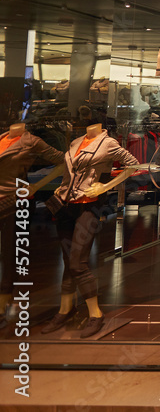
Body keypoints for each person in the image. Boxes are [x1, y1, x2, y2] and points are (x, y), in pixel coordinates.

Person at [40, 123, 139, 339]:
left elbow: (133, 165)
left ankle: (96, 313)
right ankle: (65, 310)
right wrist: (61, 185)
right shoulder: (76, 141)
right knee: (68, 261)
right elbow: (70, 168)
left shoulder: (108, 143)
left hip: (89, 205)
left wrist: (105, 186)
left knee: (78, 262)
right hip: (65, 205)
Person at [0, 122, 64, 328]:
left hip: (13, 201)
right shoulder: (1, 138)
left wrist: (37, 185)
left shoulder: (32, 142)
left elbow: (64, 161)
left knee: (9, 253)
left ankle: (3, 302)